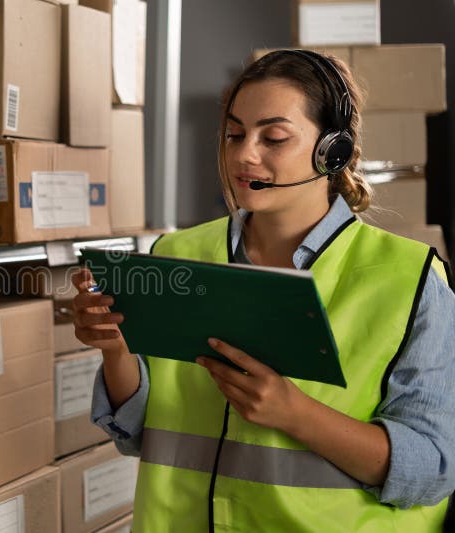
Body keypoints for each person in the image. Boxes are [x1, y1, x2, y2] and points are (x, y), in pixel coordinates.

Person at [71, 49, 455, 532]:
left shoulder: (410, 277)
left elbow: (432, 469)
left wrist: (295, 414)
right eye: (234, 134)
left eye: (273, 137)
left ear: (331, 151)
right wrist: (115, 349)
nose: (244, 154)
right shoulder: (175, 254)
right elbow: (140, 431)